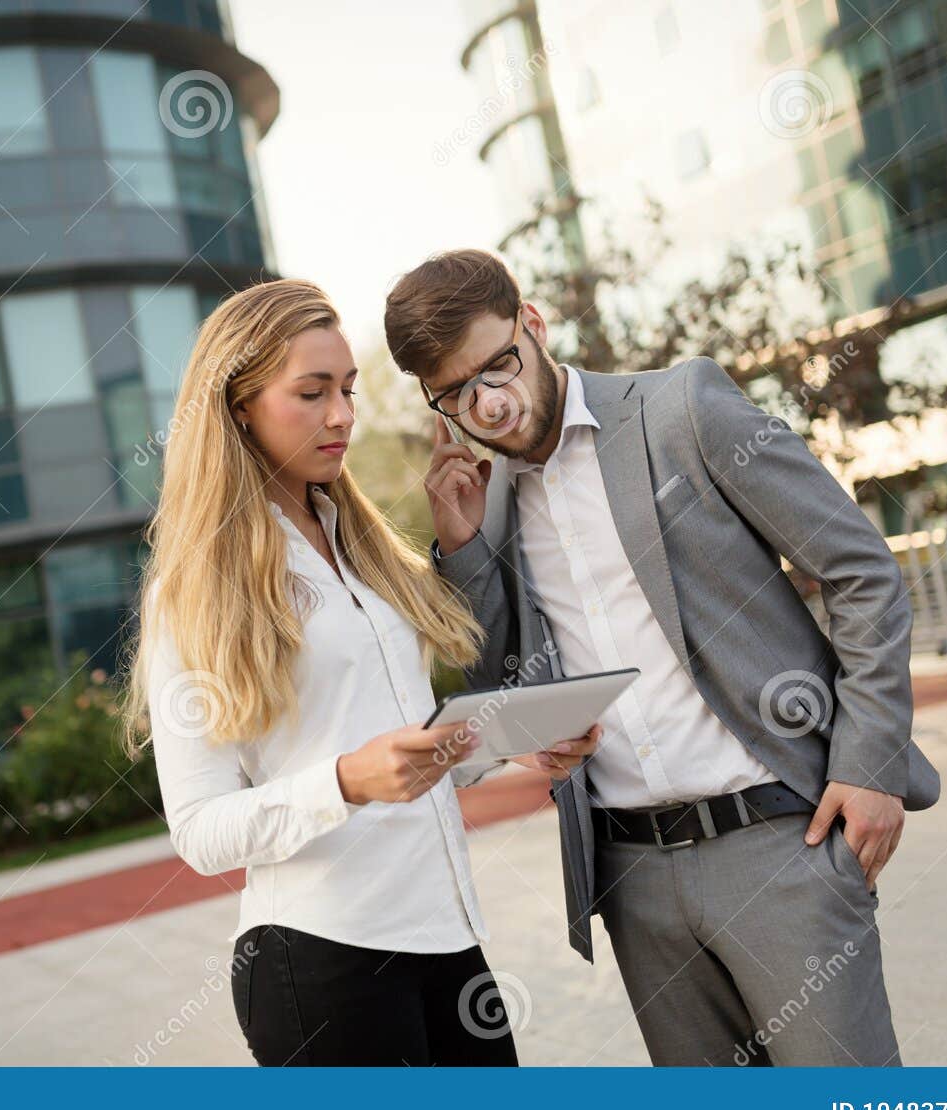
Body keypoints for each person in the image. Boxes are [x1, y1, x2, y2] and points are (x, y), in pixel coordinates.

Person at [385, 248, 941, 1066]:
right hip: (634, 878)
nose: (489, 404)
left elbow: (860, 569)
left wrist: (871, 764)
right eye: (457, 394)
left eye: (496, 366)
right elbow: (503, 687)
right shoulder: (485, 500)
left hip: (779, 843)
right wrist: (464, 547)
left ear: (532, 325)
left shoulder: (683, 407)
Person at [122, 277, 598, 1066]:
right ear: (240, 405)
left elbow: (401, 753)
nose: (342, 414)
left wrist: (513, 747)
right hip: (320, 960)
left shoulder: (363, 551)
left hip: (448, 939)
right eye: (311, 393)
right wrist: (343, 780)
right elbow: (201, 830)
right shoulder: (198, 587)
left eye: (345, 389)